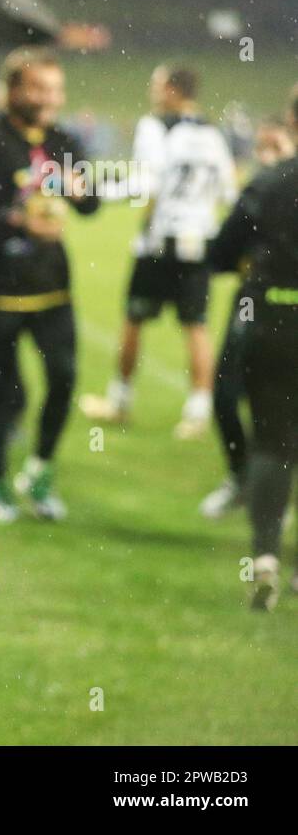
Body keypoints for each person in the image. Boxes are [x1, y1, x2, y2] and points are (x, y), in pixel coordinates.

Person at [0, 47, 99, 522]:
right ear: (14, 90)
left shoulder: (63, 141)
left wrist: (82, 191)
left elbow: (90, 203)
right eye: (39, 88)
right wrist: (20, 222)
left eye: (55, 89)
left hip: (52, 287)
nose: (49, 98)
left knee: (64, 378)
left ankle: (38, 470)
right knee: (4, 393)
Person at [80, 66, 237, 439]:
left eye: (156, 84)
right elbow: (230, 191)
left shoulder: (155, 128)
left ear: (171, 89)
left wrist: (97, 192)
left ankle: (119, 401)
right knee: (196, 325)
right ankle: (198, 412)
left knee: (134, 319)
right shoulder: (214, 134)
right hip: (198, 244)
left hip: (159, 244)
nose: (152, 91)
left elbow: (145, 184)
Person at [209, 87, 298, 609]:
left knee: (272, 443)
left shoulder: (270, 182)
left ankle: (265, 558)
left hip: (275, 322)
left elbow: (222, 252)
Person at [200, 114, 294, 519]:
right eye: (262, 149)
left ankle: (274, 496)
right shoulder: (265, 189)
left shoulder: (274, 187)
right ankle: (242, 477)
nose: (267, 157)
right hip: (255, 303)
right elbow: (222, 251)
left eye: (276, 148)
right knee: (224, 396)